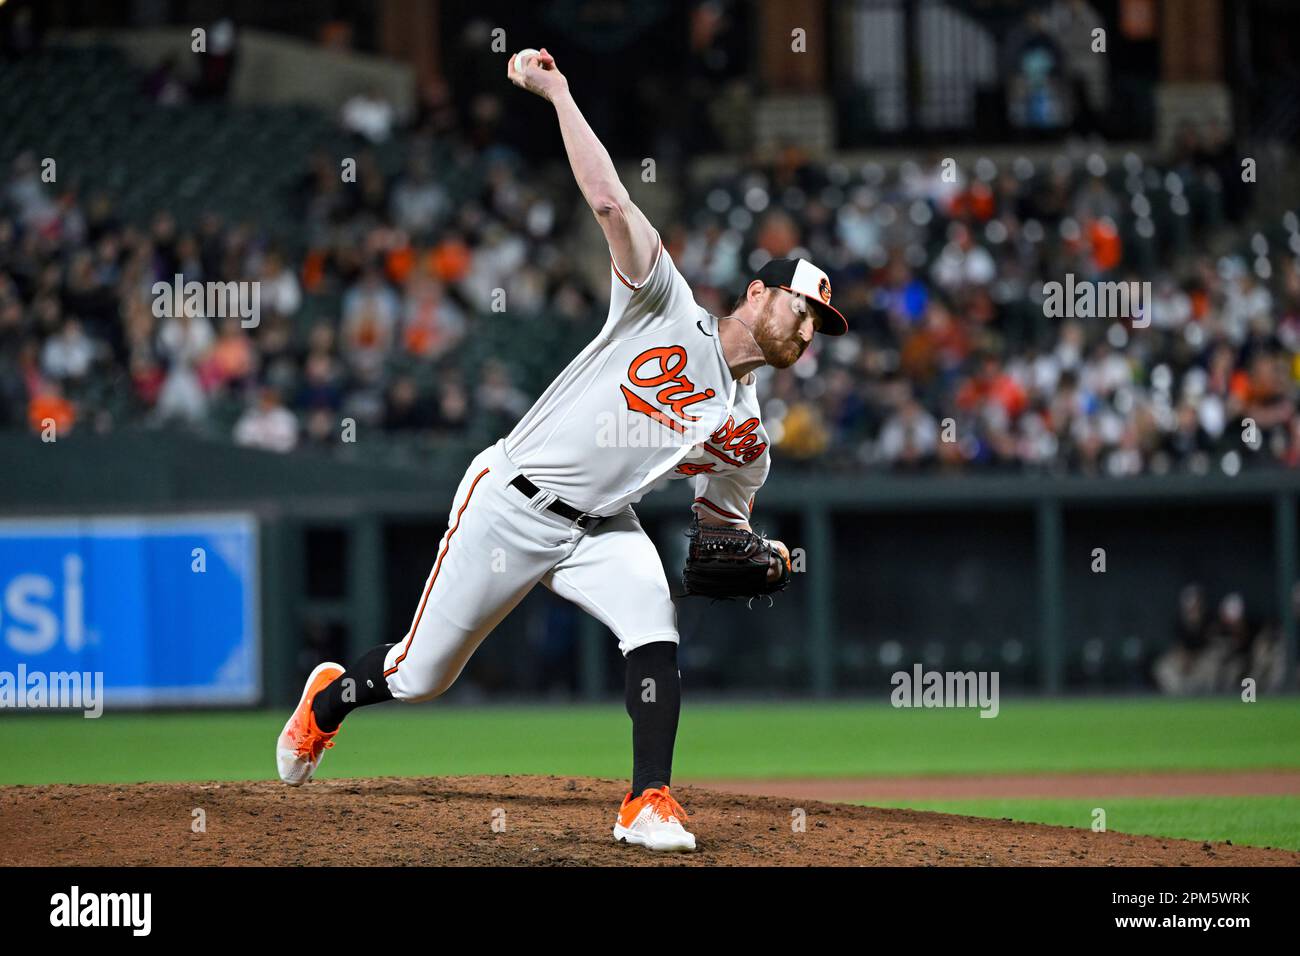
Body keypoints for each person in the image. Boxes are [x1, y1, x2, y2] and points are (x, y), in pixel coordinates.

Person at [274, 48, 847, 852]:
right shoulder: (664, 303)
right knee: (420, 676)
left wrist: (759, 555)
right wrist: (559, 92)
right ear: (757, 293)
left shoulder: (749, 438)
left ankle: (647, 800)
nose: (807, 327)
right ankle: (328, 701)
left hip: (601, 528)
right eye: (801, 305)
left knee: (653, 621)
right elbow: (610, 201)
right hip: (511, 501)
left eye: (820, 324)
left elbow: (717, 539)